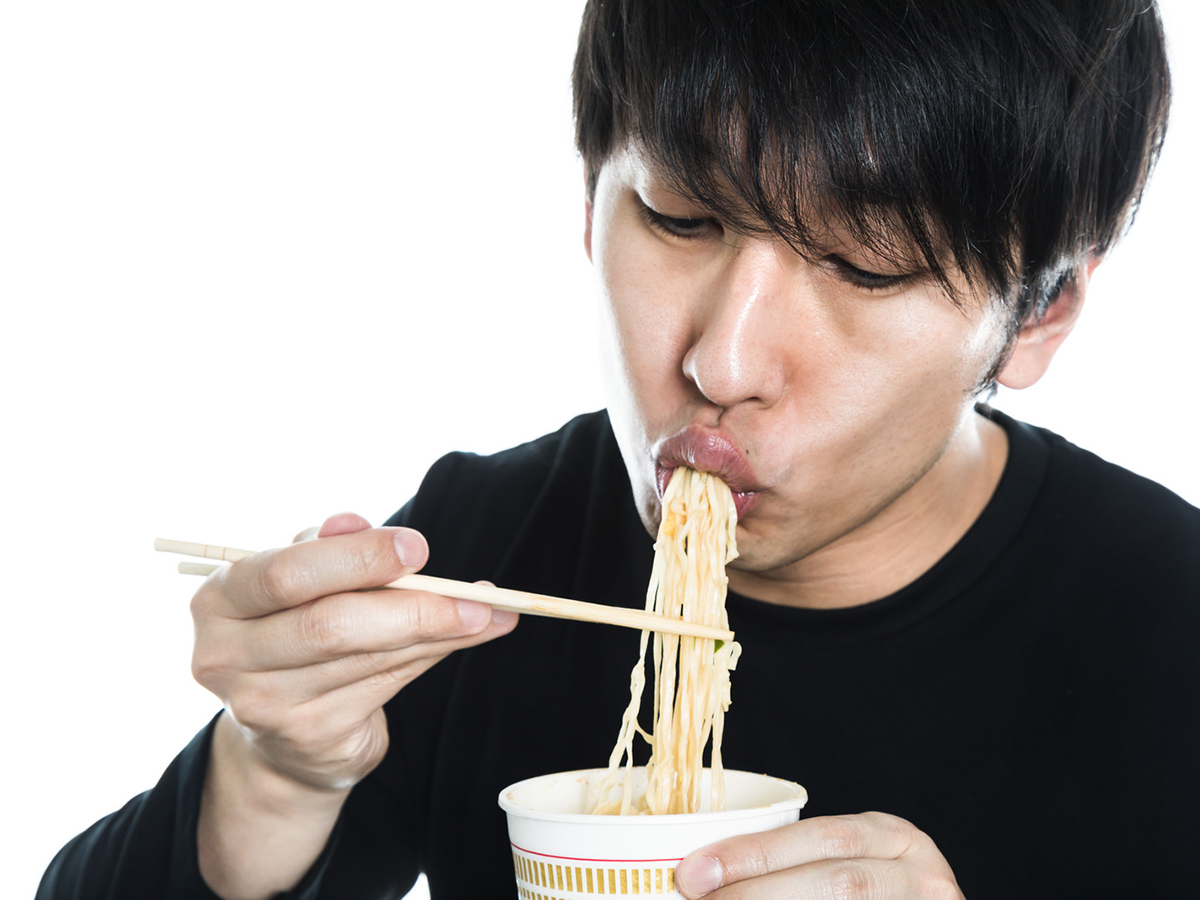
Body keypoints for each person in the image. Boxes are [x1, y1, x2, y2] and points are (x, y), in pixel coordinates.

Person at [39, 1, 1197, 898]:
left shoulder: (1166, 623)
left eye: (866, 264)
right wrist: (276, 773)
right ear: (591, 202)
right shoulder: (488, 553)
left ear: (1038, 314)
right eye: (682, 219)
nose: (722, 360)